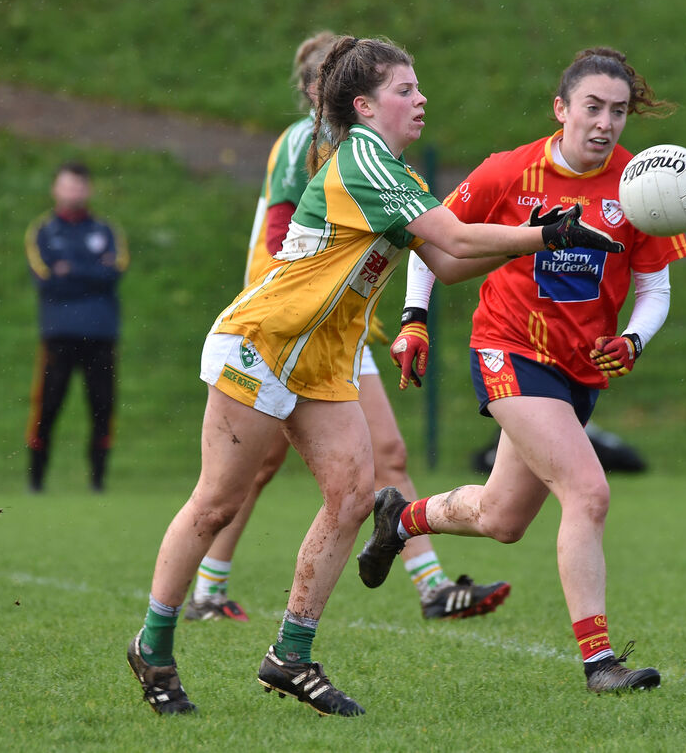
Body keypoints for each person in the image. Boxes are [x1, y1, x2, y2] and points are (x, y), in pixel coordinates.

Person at [125, 35, 622, 718]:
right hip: (262, 343)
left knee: (354, 497)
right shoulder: (363, 158)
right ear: (364, 105)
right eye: (405, 90)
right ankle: (152, 647)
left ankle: (290, 656)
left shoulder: (395, 171)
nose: (421, 100)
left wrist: (530, 239)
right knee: (215, 503)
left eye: (418, 89)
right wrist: (546, 234)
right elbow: (455, 239)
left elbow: (447, 263)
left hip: (323, 358)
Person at [359, 46, 686, 694]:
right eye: (592, 106)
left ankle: (402, 519)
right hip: (509, 349)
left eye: (618, 111)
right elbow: (436, 238)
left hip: (578, 371)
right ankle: (600, 664)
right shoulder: (510, 172)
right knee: (589, 494)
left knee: (501, 520)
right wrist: (414, 318)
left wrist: (633, 339)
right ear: (561, 108)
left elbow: (655, 287)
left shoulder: (638, 185)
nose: (605, 122)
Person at [184, 31, 510, 624]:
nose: (417, 99)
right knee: (242, 479)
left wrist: (410, 311)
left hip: (339, 327)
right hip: (283, 325)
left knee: (382, 455)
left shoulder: (381, 159)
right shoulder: (305, 146)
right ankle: (207, 587)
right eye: (402, 89)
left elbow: (441, 252)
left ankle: (430, 585)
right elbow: (286, 235)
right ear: (325, 92)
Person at [24, 161, 128, 493]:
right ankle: (35, 482)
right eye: (68, 185)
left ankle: (98, 482)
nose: (74, 192)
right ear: (56, 189)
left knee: (102, 407)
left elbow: (115, 273)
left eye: (80, 185)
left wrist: (70, 270)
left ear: (89, 190)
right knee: (47, 408)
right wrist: (91, 274)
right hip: (58, 335)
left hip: (101, 334)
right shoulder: (41, 230)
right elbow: (45, 279)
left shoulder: (106, 230)